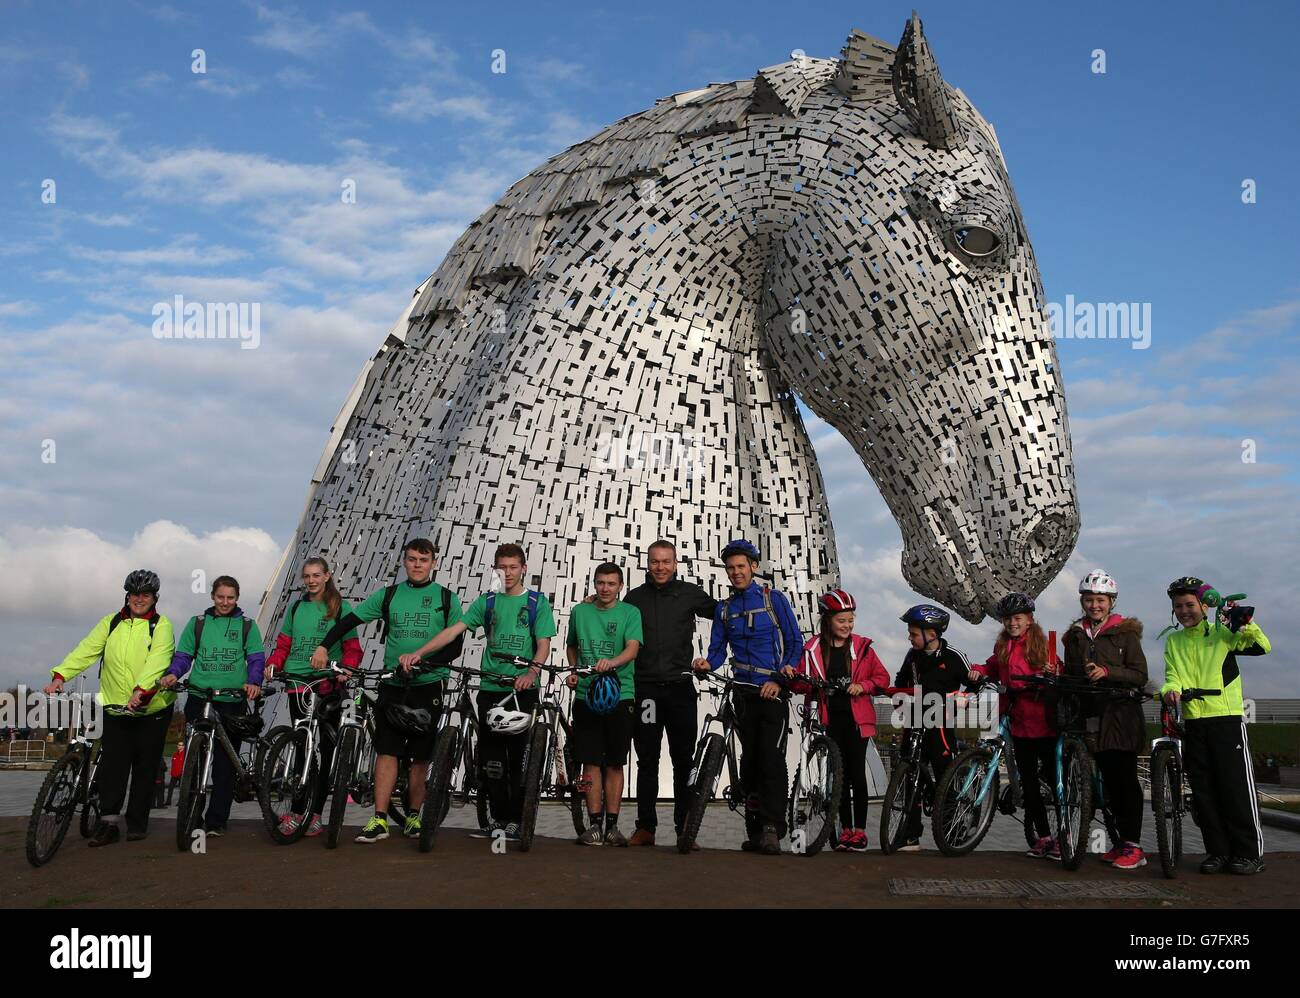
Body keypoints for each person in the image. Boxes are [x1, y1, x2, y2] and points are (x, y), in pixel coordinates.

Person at [311, 538, 464, 843]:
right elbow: (350, 619)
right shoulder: (389, 595)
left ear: (434, 562)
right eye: (411, 559)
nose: (417, 564)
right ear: (404, 562)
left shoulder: (447, 598)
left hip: (428, 683)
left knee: (421, 756)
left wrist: (424, 661)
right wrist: (324, 645)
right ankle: (379, 819)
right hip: (393, 683)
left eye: (423, 559)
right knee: (386, 750)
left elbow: (456, 645)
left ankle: (412, 817)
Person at [408, 543, 556, 842]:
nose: (508, 573)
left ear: (524, 568)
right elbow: (454, 630)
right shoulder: (487, 602)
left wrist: (531, 673)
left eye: (513, 567)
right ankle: (497, 820)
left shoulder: (537, 603)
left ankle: (515, 820)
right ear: (495, 569)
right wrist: (419, 652)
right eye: (502, 567)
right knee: (491, 759)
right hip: (490, 686)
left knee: (516, 758)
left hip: (521, 689)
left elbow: (542, 643)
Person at [44, 570, 176, 846]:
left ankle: (138, 823)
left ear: (154, 599)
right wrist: (60, 677)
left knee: (145, 767)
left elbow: (159, 660)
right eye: (135, 594)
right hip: (116, 708)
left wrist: (142, 691)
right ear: (127, 596)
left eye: (146, 595)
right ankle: (109, 824)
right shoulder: (110, 622)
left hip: (151, 710)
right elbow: (87, 650)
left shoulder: (161, 626)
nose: (139, 599)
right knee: (113, 768)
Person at [692, 539, 803, 855]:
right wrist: (705, 663)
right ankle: (754, 831)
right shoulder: (724, 608)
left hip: (772, 691)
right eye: (730, 568)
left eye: (741, 566)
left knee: (770, 757)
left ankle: (771, 829)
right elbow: (717, 652)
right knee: (749, 760)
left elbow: (795, 644)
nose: (736, 572)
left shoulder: (773, 599)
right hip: (741, 692)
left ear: (754, 567)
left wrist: (780, 679)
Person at [1162, 576, 1270, 875]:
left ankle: (1249, 854)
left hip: (1226, 719)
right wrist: (1169, 691)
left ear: (1204, 606)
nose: (1184, 611)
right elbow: (1173, 675)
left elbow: (1262, 646)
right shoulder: (1174, 641)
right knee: (1204, 792)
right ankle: (1218, 852)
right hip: (1194, 722)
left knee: (1235, 789)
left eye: (1190, 605)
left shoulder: (1222, 631)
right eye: (1178, 606)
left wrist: (1243, 620)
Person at [623, 540, 717, 847]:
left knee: (683, 761)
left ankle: (683, 828)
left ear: (675, 564)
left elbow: (724, 615)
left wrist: (712, 659)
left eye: (666, 562)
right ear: (647, 564)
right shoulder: (634, 598)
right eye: (655, 562)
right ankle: (645, 827)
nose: (660, 567)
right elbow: (614, 622)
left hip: (680, 690)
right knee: (646, 760)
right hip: (647, 690)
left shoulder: (690, 593)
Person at [264, 557, 363, 837]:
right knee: (301, 746)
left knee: (327, 748)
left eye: (316, 575)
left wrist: (347, 668)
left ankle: (316, 813)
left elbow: (352, 647)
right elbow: (284, 644)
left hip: (327, 686)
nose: (311, 581)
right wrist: (274, 664)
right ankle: (297, 811)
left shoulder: (340, 608)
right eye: (306, 576)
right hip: (298, 684)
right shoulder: (296, 607)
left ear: (327, 576)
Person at [784, 589, 889, 852]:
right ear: (828, 619)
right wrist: (792, 676)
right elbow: (801, 683)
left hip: (856, 720)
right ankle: (844, 830)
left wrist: (863, 685)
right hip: (829, 720)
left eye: (850, 620)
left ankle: (860, 832)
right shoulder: (813, 650)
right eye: (842, 620)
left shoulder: (863, 648)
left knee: (856, 774)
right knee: (836, 775)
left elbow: (882, 679)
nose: (847, 625)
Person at [159, 576, 264, 836]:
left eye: (230, 597)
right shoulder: (198, 624)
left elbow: (256, 659)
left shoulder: (248, 627)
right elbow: (184, 655)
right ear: (212, 596)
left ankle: (216, 821)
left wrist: (253, 681)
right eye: (220, 597)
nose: (225, 602)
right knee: (196, 759)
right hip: (199, 697)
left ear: (237, 598)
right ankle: (192, 817)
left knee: (225, 765)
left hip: (232, 701)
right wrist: (174, 673)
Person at [1060, 571, 1148, 869]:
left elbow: (1139, 674)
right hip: (1092, 715)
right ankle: (1120, 844)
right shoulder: (1074, 636)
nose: (1094, 605)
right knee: (1108, 782)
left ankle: (1134, 846)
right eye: (1089, 599)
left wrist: (1109, 672)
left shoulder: (1126, 634)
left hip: (1121, 715)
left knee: (1124, 781)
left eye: (1100, 600)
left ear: (1111, 602)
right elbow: (1072, 676)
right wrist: (1055, 673)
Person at [968, 592, 1060, 860]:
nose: (1012, 623)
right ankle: (1043, 838)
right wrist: (978, 671)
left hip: (1042, 720)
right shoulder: (1003, 647)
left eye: (1017, 618)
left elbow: (1056, 670)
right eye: (1007, 619)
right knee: (1028, 782)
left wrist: (1050, 674)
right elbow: (992, 667)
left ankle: (1063, 835)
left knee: (1056, 782)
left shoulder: (1043, 643)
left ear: (1029, 619)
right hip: (1017, 719)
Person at [565, 563, 643, 845]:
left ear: (621, 586)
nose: (605, 588)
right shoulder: (580, 611)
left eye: (611, 583)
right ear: (594, 584)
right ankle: (594, 824)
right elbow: (571, 645)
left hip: (620, 696)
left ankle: (613, 826)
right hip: (587, 694)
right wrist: (574, 671)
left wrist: (611, 663)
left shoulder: (630, 613)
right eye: (600, 583)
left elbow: (633, 648)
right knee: (590, 762)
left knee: (615, 763)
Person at [895, 603, 970, 851]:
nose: (909, 637)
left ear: (932, 634)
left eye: (914, 633)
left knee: (945, 776)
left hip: (940, 723)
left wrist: (964, 697)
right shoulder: (911, 656)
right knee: (909, 776)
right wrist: (899, 698)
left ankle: (953, 831)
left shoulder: (954, 657)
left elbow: (974, 683)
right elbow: (900, 681)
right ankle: (910, 834)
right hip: (914, 721)